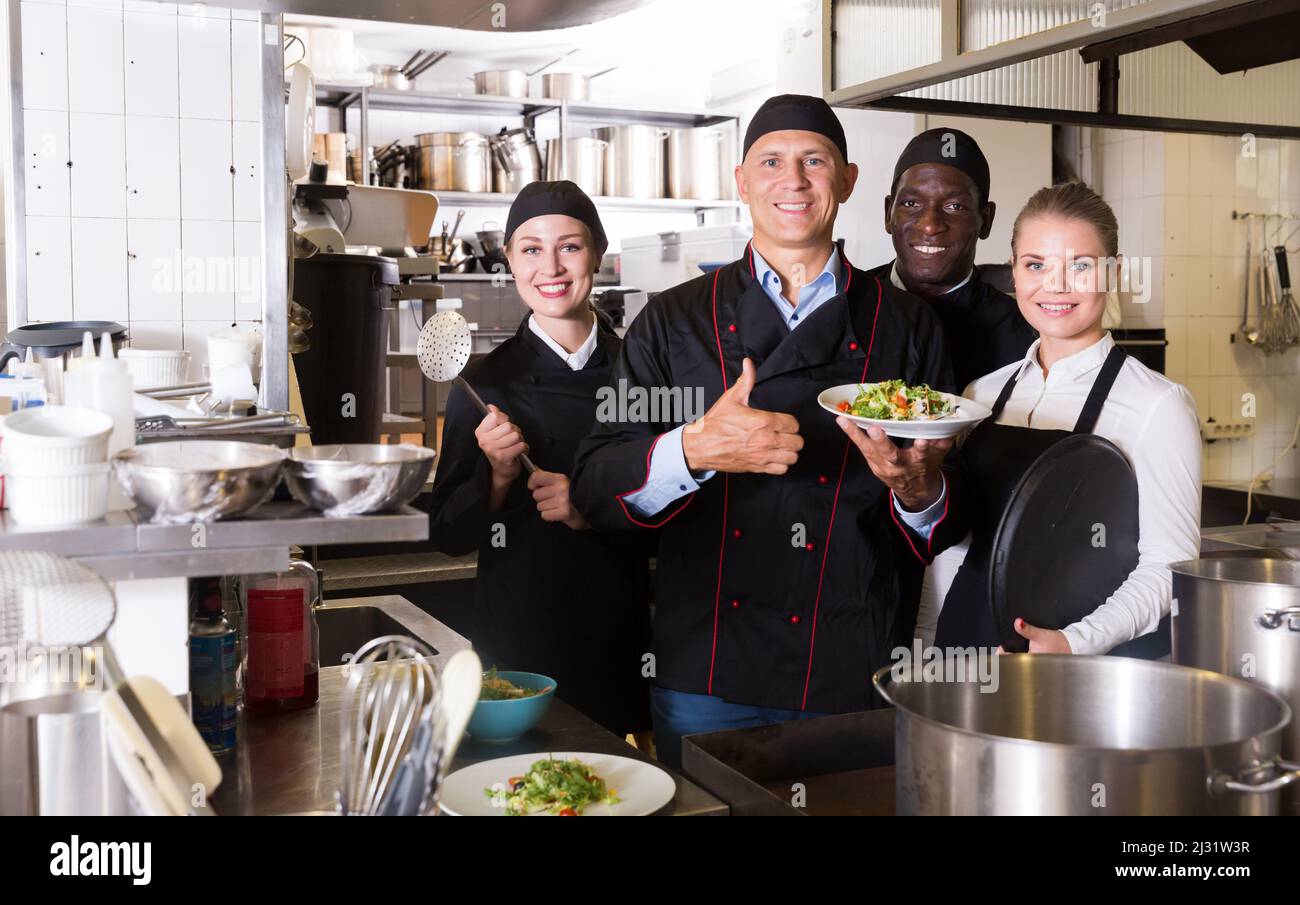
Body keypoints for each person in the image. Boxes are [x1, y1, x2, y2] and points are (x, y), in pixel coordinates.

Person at [571, 94, 969, 770]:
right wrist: (693, 448)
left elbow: (947, 518)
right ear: (742, 182)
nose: (794, 180)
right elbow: (594, 485)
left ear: (847, 181)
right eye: (773, 162)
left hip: (852, 665)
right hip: (707, 668)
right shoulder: (673, 322)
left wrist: (919, 488)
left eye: (816, 162)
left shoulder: (906, 326)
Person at [927, 181, 1200, 655]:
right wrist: (928, 641)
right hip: (968, 657)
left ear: (1112, 272)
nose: (1055, 285)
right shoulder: (981, 394)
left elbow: (1169, 567)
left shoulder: (1158, 404)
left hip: (1084, 673)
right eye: (1036, 265)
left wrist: (1073, 644)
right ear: (1013, 272)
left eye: (1081, 265)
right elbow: (956, 549)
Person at [425, 180, 650, 737]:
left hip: (626, 637)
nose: (550, 266)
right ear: (510, 260)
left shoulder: (644, 373)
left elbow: (686, 517)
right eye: (531, 249)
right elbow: (449, 533)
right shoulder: (480, 383)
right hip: (519, 644)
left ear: (597, 252)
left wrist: (594, 507)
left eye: (569, 247)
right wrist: (497, 477)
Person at [867, 127, 1037, 391]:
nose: (929, 225)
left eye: (955, 206)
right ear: (889, 212)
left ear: (986, 220)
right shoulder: (845, 305)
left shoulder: (1022, 334)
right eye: (912, 204)